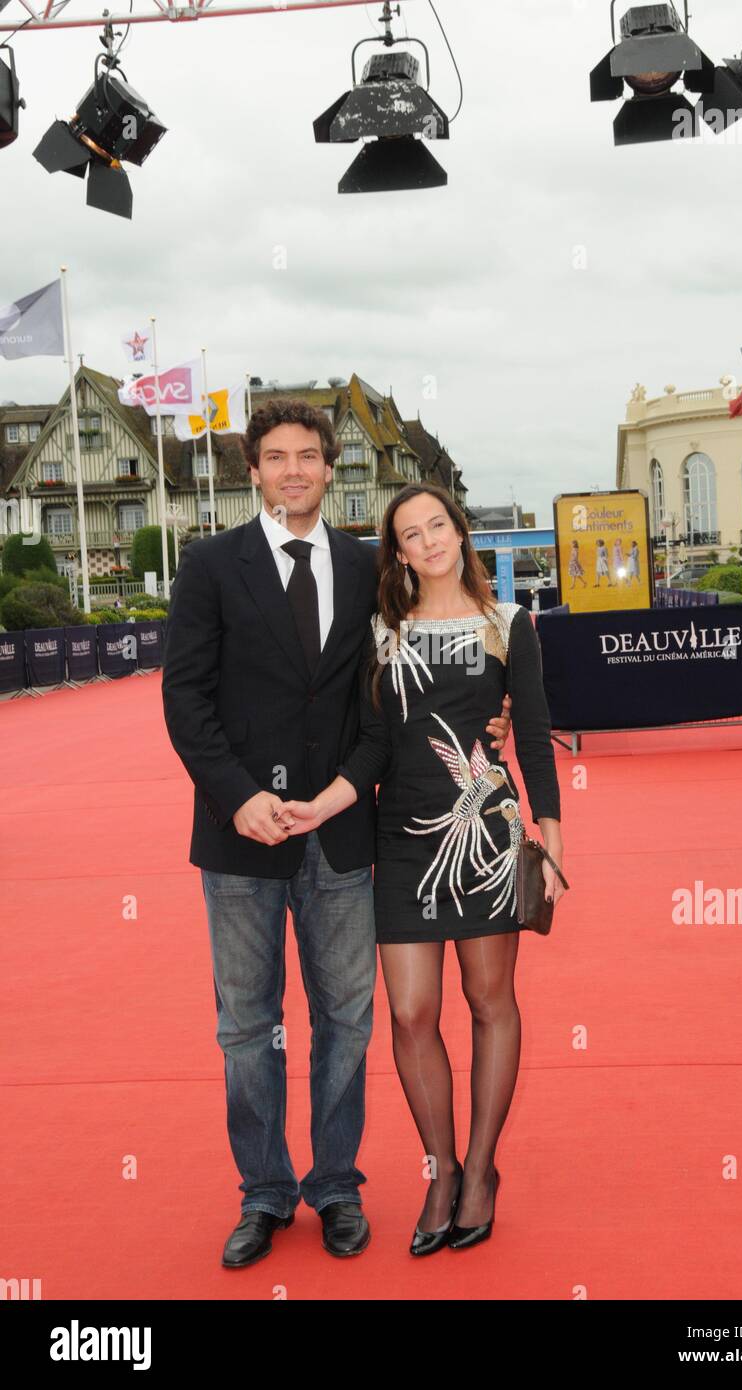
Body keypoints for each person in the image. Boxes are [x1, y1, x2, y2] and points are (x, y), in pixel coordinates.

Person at [160, 400, 512, 1268]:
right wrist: (238, 796)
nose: (292, 470)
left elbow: (394, 697)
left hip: (348, 833)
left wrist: (489, 721)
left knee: (347, 1023)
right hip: (240, 837)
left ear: (329, 469)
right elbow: (185, 696)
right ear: (252, 471)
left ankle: (335, 1186)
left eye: (307, 456)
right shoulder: (209, 564)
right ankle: (265, 1193)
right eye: (274, 457)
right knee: (247, 1028)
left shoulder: (366, 570)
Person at [279, 483, 566, 1255]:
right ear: (397, 552)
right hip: (401, 837)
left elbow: (532, 736)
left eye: (438, 524)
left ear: (459, 532)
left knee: (487, 999)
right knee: (410, 1013)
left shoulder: (508, 623)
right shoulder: (383, 631)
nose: (429, 540)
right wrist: (319, 805)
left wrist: (551, 839)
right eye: (411, 533)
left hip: (490, 834)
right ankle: (437, 1170)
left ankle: (478, 1170)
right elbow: (372, 744)